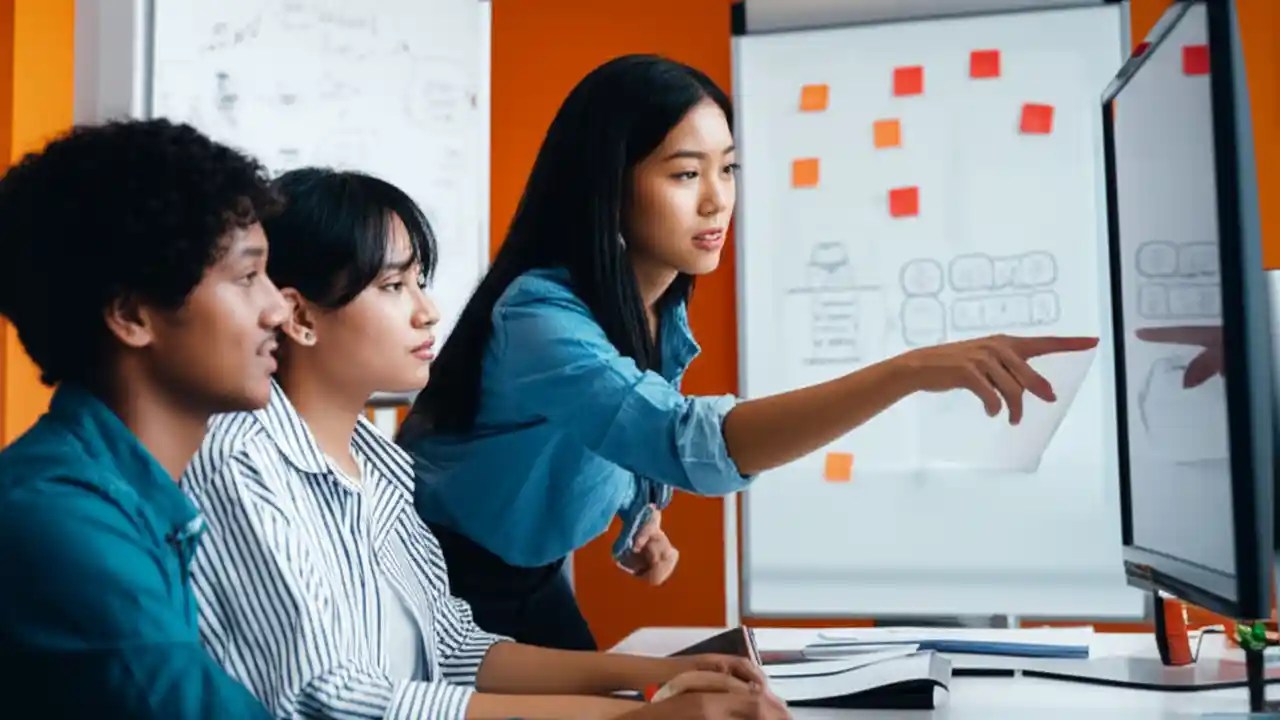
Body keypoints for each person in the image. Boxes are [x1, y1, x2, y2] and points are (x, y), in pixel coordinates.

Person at [396, 53, 1100, 652]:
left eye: (727, 169)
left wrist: (637, 515)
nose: (717, 201)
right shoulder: (540, 318)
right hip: (445, 582)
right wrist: (907, 371)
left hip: (533, 576)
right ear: (607, 185)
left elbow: (608, 432)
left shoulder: (655, 313)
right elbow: (680, 439)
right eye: (684, 174)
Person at [182, 167, 789, 720]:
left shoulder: (377, 463)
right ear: (301, 317)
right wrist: (632, 717)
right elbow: (331, 699)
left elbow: (453, 648)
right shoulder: (240, 462)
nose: (428, 312)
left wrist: (658, 675)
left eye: (420, 282)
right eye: (394, 286)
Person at [0, 119, 287, 717]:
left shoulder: (126, 495)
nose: (278, 307)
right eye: (247, 276)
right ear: (132, 316)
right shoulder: (57, 515)